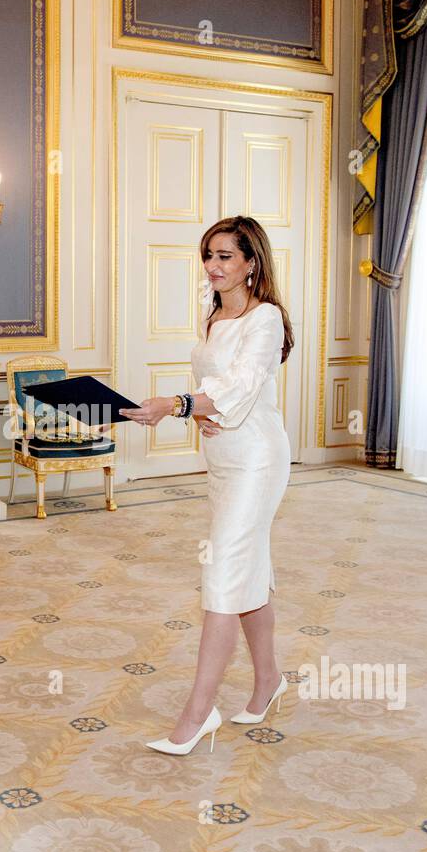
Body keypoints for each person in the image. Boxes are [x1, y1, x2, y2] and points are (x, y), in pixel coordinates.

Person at [120, 216, 295, 755]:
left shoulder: (265, 319)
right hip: (222, 456)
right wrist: (197, 410)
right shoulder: (215, 314)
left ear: (251, 262)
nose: (213, 266)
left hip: (258, 460)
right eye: (209, 256)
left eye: (224, 256)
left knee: (222, 574)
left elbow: (242, 384)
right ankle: (268, 681)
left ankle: (199, 712)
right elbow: (217, 388)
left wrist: (176, 405)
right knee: (248, 571)